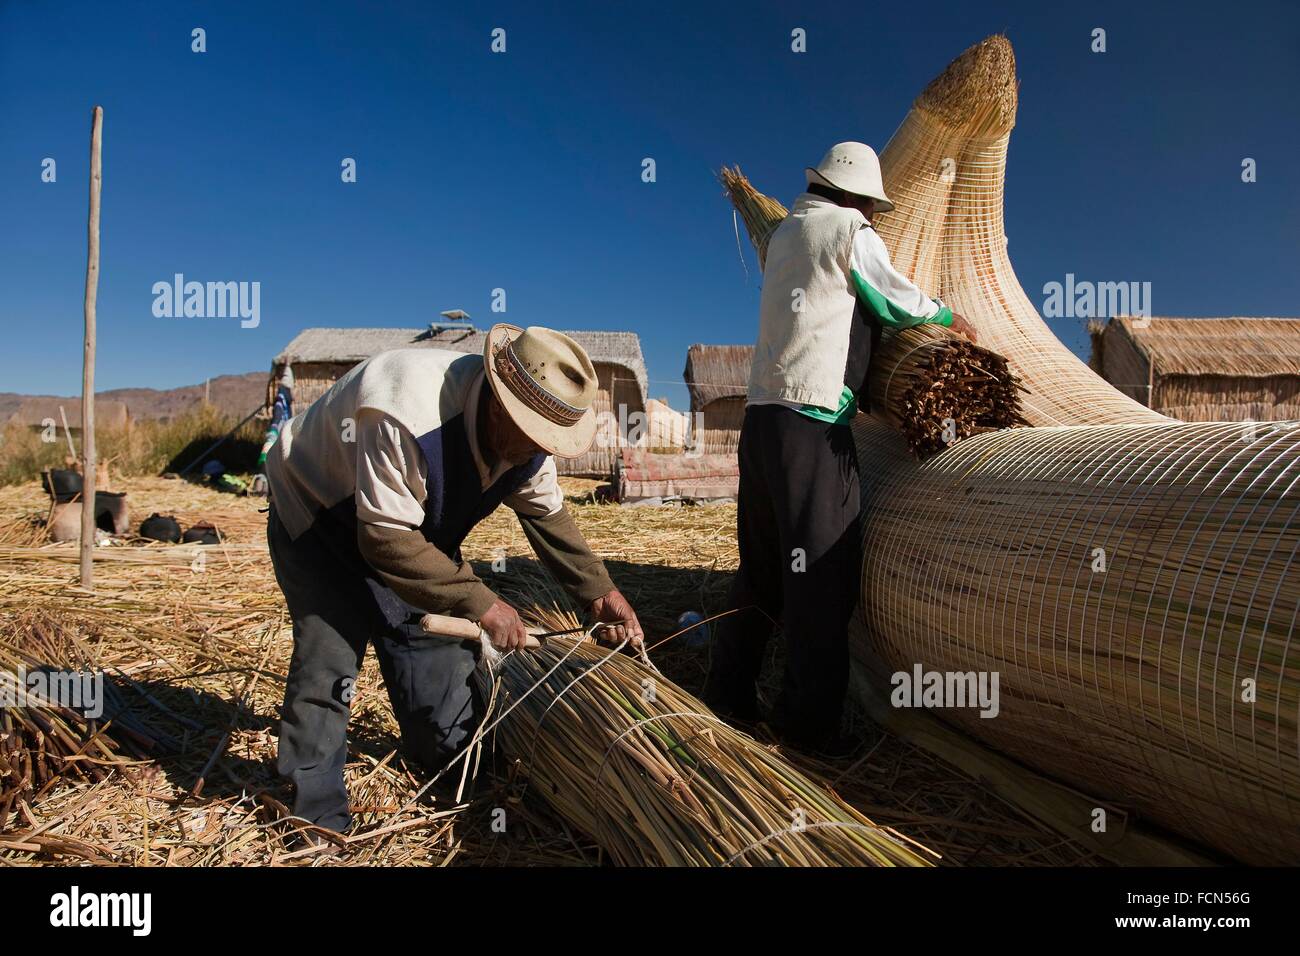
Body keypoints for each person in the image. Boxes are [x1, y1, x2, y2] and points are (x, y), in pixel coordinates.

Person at [265, 323, 643, 832]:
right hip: (321, 516)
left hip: (413, 531)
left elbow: (549, 519)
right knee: (329, 662)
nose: (539, 451)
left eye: (547, 442)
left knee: (438, 688)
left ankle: (445, 764)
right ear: (498, 406)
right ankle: (314, 813)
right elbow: (385, 543)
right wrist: (483, 604)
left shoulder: (528, 449)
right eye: (533, 437)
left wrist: (600, 593)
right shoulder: (404, 409)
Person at [703, 142, 976, 755]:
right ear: (854, 196)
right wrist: (950, 318)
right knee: (822, 574)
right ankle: (806, 729)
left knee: (765, 570)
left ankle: (726, 695)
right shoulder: (847, 228)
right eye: (871, 206)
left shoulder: (784, 235)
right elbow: (890, 299)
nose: (875, 217)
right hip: (813, 424)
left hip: (763, 423)